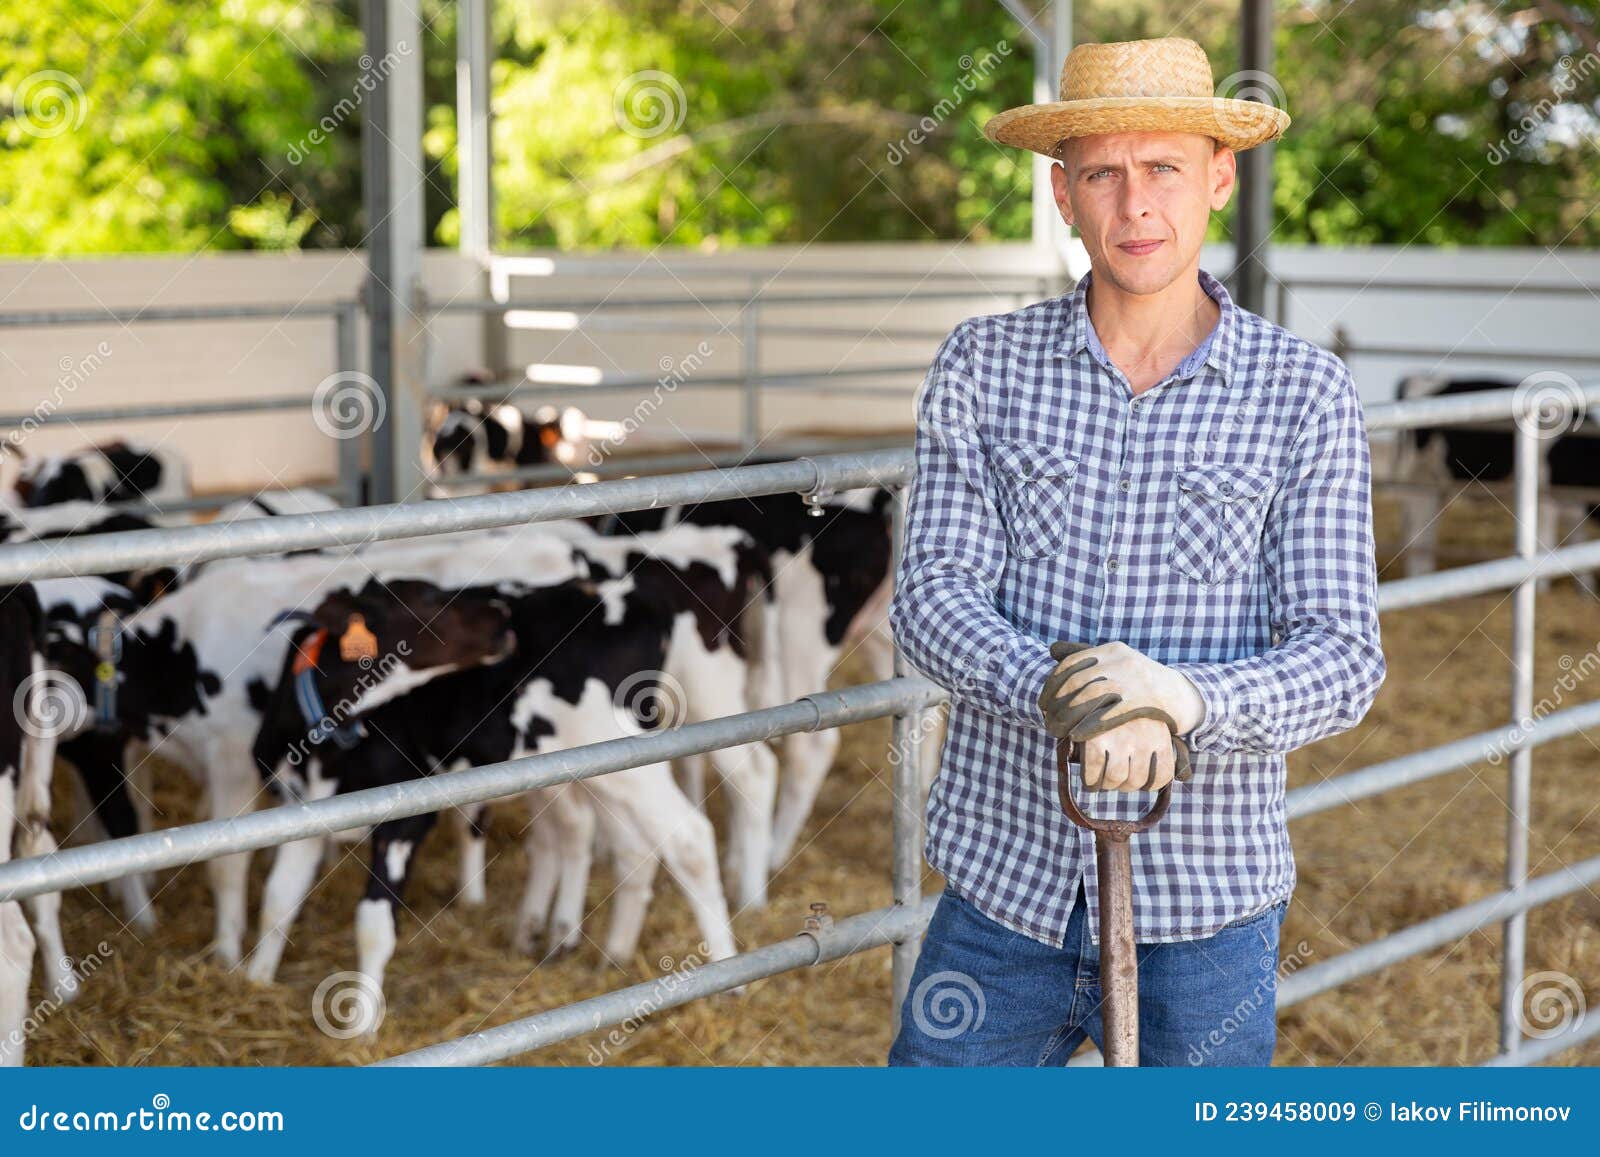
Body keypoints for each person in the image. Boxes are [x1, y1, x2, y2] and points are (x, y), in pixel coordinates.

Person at [888, 36, 1385, 1066]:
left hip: (1207, 906)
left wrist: (1183, 700)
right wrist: (1062, 689)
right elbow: (932, 593)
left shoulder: (1304, 393)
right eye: (1102, 175)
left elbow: (1343, 655)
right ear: (1062, 194)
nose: (1135, 205)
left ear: (1218, 178)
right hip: (1003, 888)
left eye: (1163, 168)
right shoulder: (983, 365)